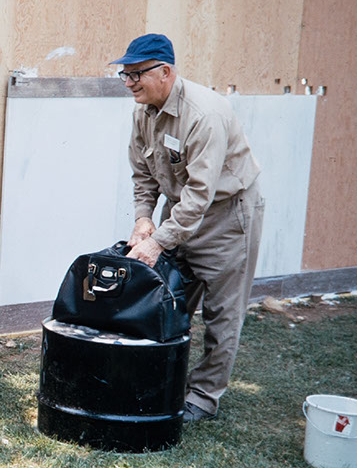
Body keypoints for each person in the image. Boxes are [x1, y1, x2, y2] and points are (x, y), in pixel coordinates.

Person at [113, 33, 264, 423]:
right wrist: (144, 218)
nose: (129, 83)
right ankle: (168, 379)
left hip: (226, 215)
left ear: (165, 72)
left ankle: (204, 397)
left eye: (136, 75)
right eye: (124, 75)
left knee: (222, 313)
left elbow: (199, 195)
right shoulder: (143, 111)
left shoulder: (204, 114)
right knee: (169, 300)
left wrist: (157, 243)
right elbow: (143, 175)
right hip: (180, 213)